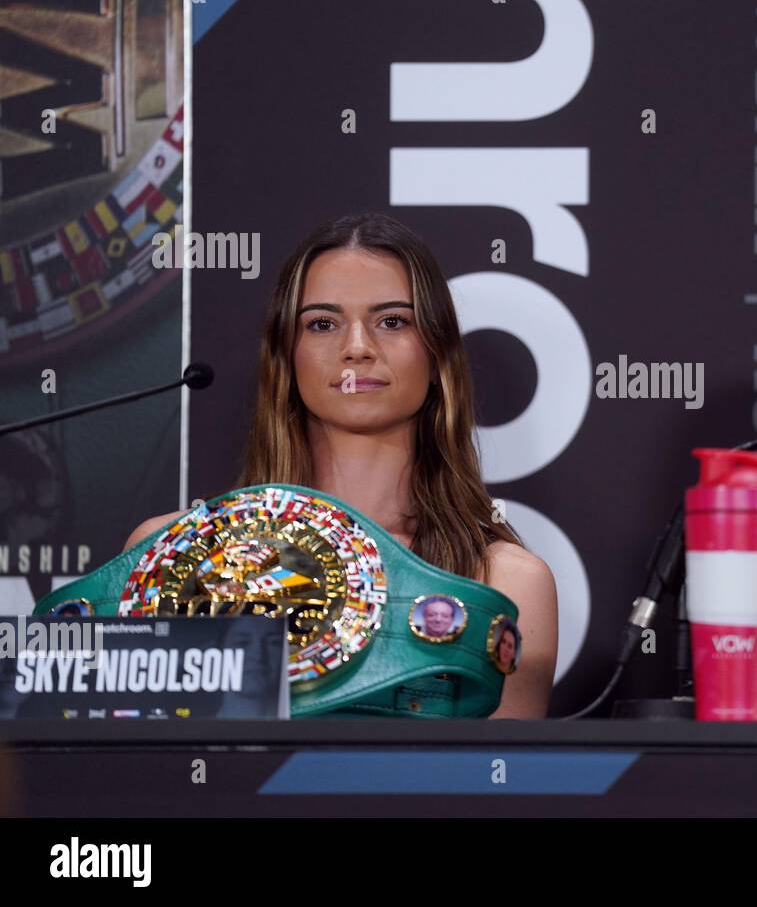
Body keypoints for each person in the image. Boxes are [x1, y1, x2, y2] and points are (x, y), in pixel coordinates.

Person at [124, 212, 558, 718]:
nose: (357, 348)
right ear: (287, 357)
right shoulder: (167, 555)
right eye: (323, 324)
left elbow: (498, 789)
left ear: (438, 357)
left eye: (392, 321)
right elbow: (145, 780)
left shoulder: (504, 583)